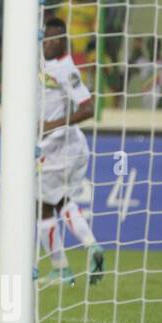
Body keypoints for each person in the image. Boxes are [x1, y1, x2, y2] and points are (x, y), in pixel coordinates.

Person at [37, 16, 104, 286]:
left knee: (43, 205)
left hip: (62, 146)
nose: (47, 44)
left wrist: (53, 124)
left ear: (63, 41)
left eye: (53, 39)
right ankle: (89, 248)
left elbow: (88, 108)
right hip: (58, 148)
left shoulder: (67, 69)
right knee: (56, 202)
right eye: (45, 38)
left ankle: (62, 269)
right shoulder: (44, 65)